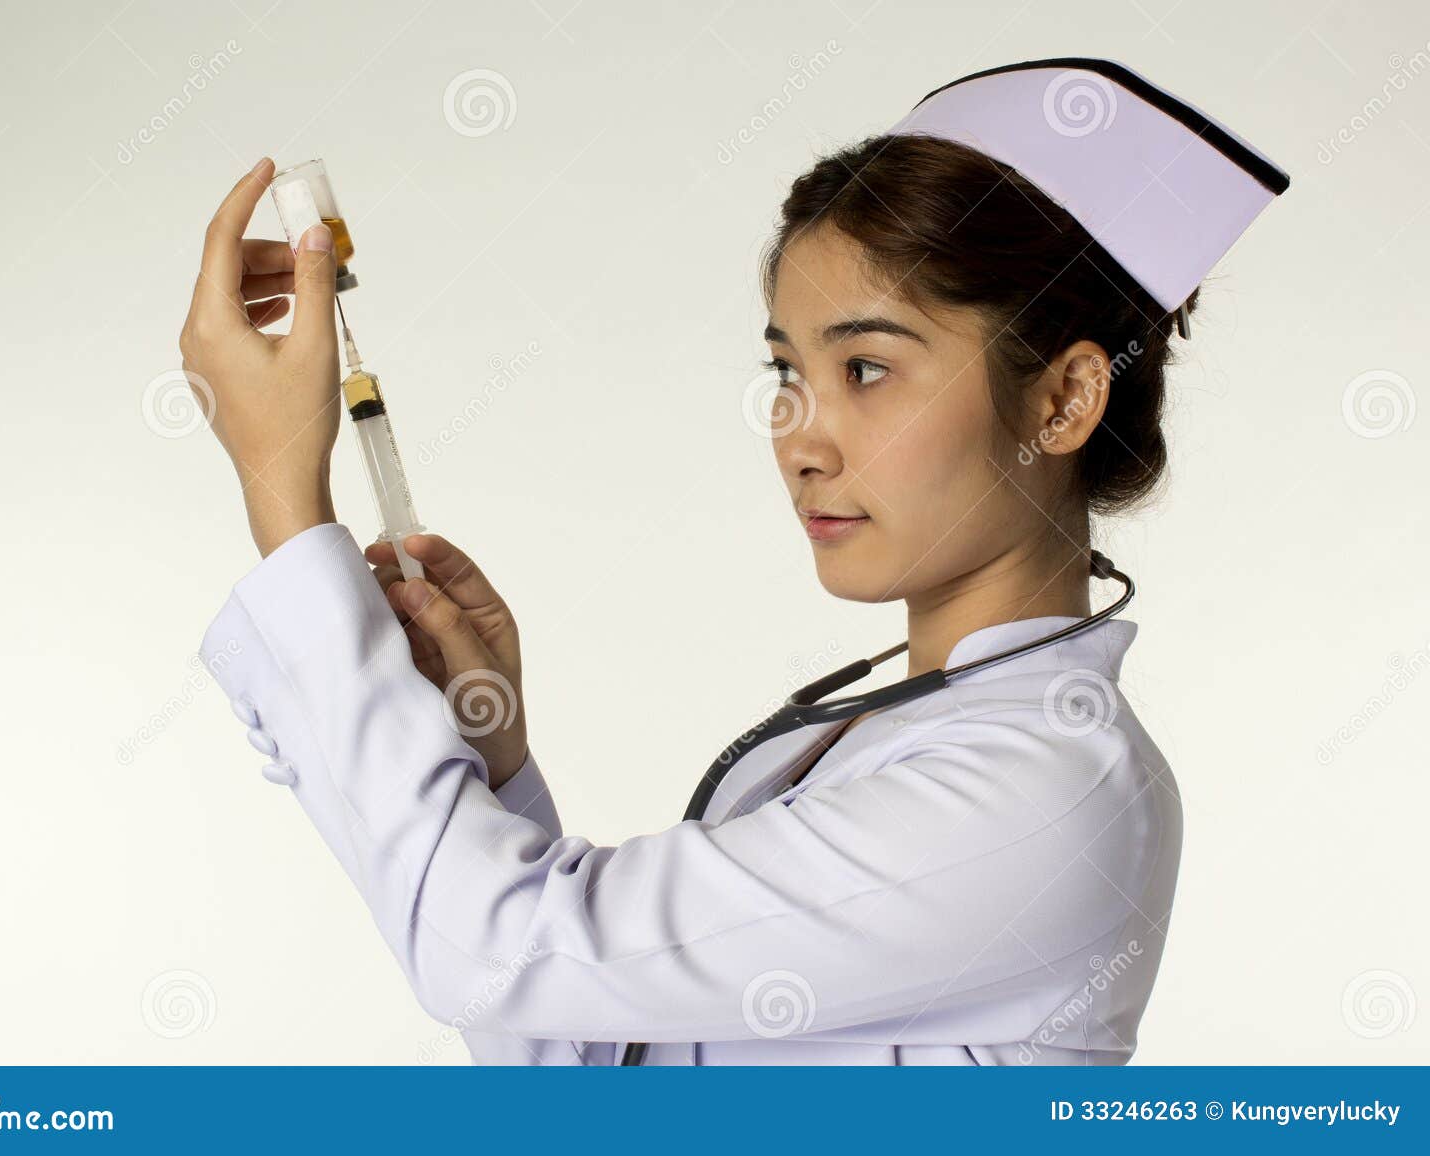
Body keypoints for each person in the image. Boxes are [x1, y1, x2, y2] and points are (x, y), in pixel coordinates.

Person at [177, 59, 1286, 1064]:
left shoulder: (1044, 787)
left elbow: (497, 948)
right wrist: (494, 764)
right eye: (786, 369)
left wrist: (285, 492)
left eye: (866, 368)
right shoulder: (912, 742)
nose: (799, 436)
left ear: (1062, 398)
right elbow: (594, 1070)